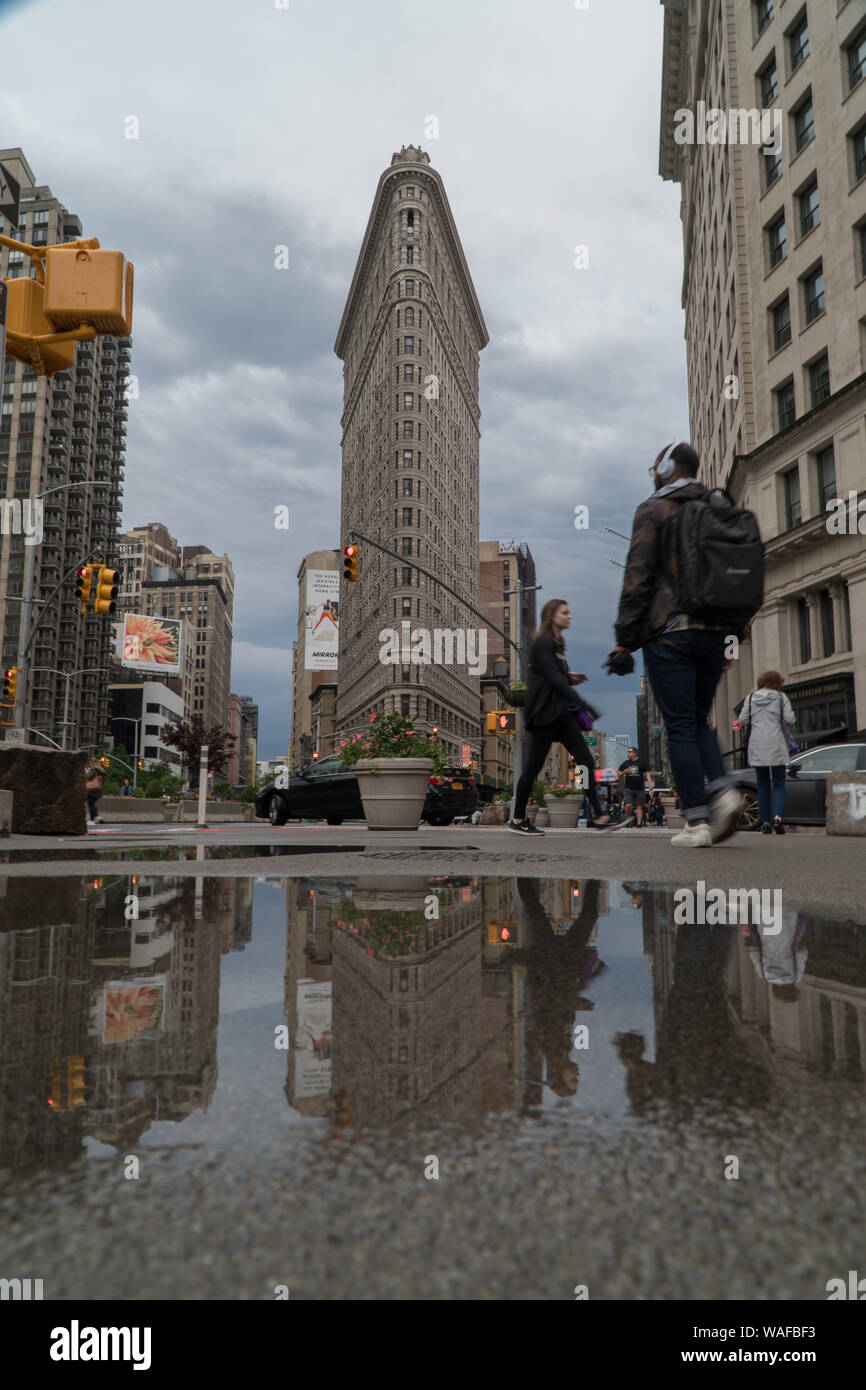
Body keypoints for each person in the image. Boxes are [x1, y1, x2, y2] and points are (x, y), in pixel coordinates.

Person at [608, 440, 743, 848]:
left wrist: (624, 641)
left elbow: (638, 577)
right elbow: (738, 573)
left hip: (671, 632)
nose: (653, 473)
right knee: (698, 720)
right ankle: (723, 788)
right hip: (715, 631)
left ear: (666, 468)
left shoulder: (653, 509)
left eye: (655, 467)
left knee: (680, 725)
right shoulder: (719, 507)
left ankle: (697, 821)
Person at [510, 599, 611, 833]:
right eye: (564, 612)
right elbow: (552, 679)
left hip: (561, 713)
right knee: (532, 770)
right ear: (551, 615)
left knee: (586, 761)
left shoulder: (557, 645)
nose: (569, 616)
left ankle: (598, 813)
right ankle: (517, 820)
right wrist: (584, 704)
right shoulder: (543, 643)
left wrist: (570, 676)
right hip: (545, 714)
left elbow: (554, 675)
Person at [739, 670, 796, 835]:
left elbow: (742, 721)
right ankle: (778, 817)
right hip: (776, 745)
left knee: (762, 785)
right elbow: (790, 719)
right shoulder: (780, 697)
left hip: (757, 745)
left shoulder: (750, 698)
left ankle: (765, 822)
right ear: (778, 682)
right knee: (778, 784)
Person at [618, 746, 654, 827]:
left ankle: (639, 823)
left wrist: (650, 785)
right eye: (628, 752)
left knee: (639, 806)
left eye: (630, 752)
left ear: (635, 753)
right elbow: (619, 774)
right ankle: (628, 819)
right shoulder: (626, 763)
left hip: (640, 788)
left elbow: (647, 774)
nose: (628, 753)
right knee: (628, 805)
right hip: (628, 788)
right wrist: (624, 772)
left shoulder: (642, 762)